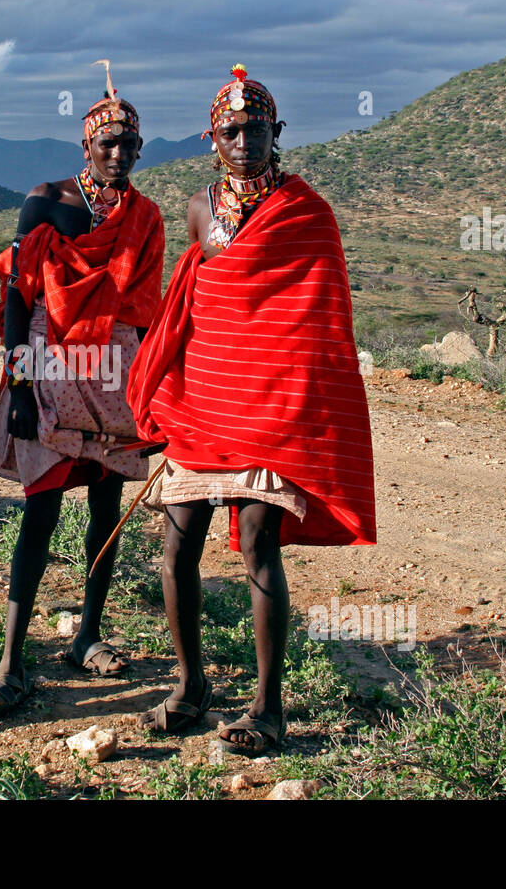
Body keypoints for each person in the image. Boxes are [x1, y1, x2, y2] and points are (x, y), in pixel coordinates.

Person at [125, 65, 377, 754]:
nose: (245, 139)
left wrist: (300, 404)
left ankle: (268, 708)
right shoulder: (200, 207)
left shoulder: (307, 211)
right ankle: (190, 687)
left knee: (259, 546)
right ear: (213, 138)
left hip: (269, 408)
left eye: (256, 127)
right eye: (231, 130)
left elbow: (313, 322)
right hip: (204, 403)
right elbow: (197, 300)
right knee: (178, 545)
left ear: (277, 132)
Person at [0, 69, 165, 716]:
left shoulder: (145, 217)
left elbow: (145, 309)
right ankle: (10, 660)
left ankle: (87, 632)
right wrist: (18, 385)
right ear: (86, 148)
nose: (118, 154)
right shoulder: (46, 201)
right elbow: (18, 291)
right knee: (42, 507)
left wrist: (150, 390)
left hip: (112, 368)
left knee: (106, 504)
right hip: (48, 364)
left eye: (129, 146)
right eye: (107, 144)